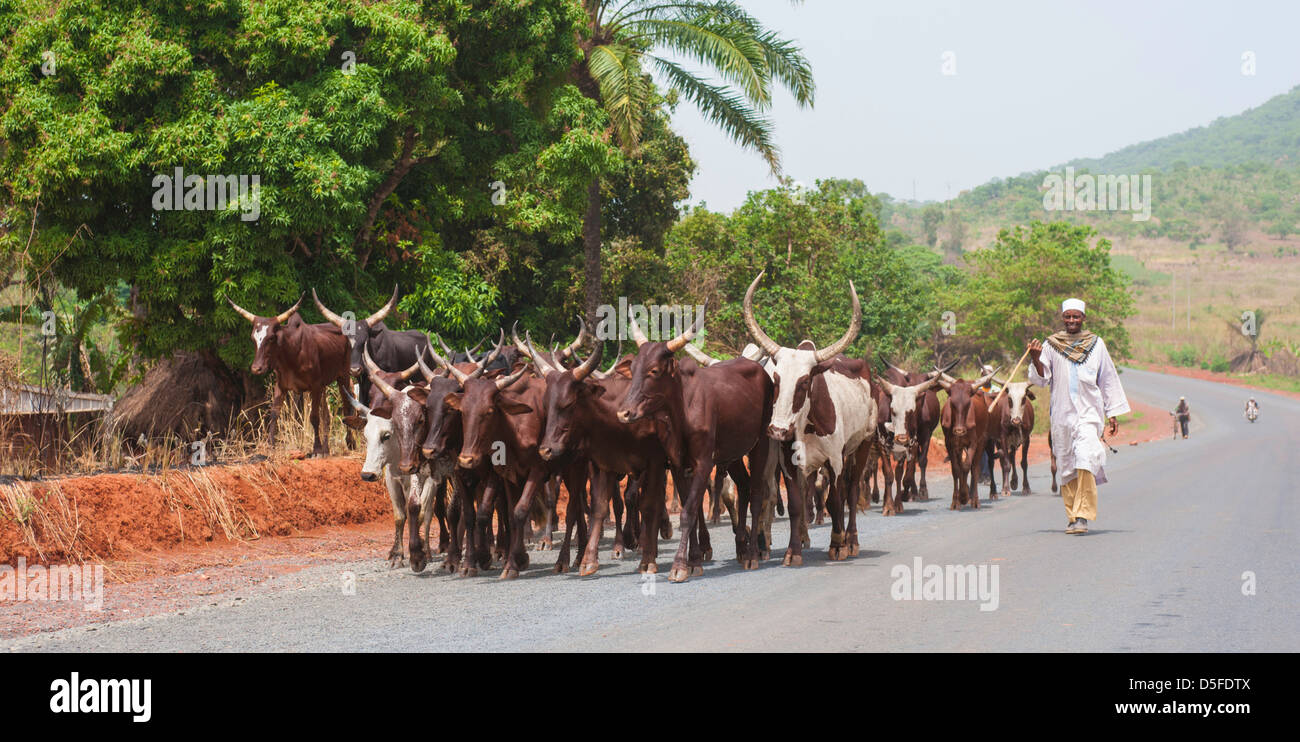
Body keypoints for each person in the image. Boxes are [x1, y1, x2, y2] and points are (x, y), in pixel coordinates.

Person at [1027, 298, 1130, 535]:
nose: (1071, 321)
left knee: (1085, 459)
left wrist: (1112, 412)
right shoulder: (1051, 345)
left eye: (1076, 316)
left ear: (1083, 318)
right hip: (1062, 415)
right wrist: (1035, 358)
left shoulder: (1096, 344)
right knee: (1066, 466)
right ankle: (1072, 517)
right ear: (1062, 318)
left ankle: (1083, 514)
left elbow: (1107, 378)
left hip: (1089, 414)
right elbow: (1041, 379)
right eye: (1067, 316)